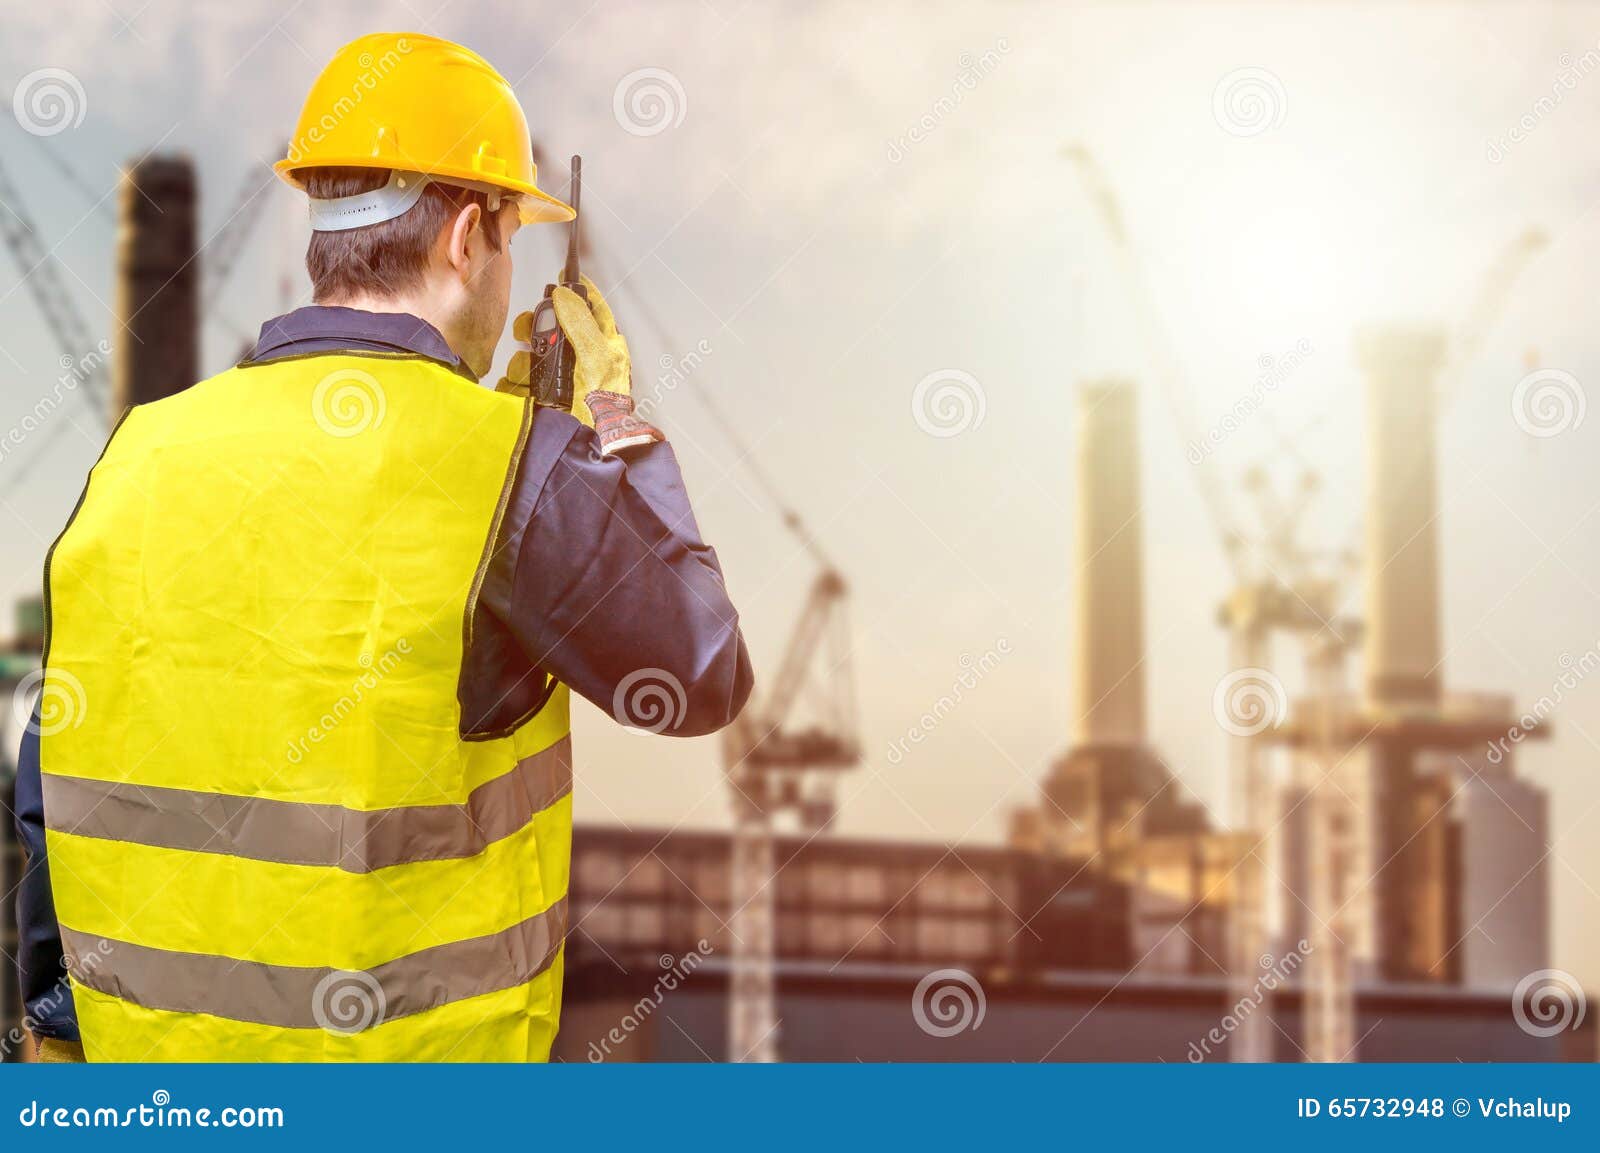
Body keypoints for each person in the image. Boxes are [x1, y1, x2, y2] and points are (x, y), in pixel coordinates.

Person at [12, 32, 751, 1062]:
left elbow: (59, 775)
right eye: (508, 242)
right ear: (466, 234)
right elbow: (702, 670)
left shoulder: (140, 454)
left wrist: (50, 1019)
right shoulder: (519, 468)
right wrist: (610, 419)